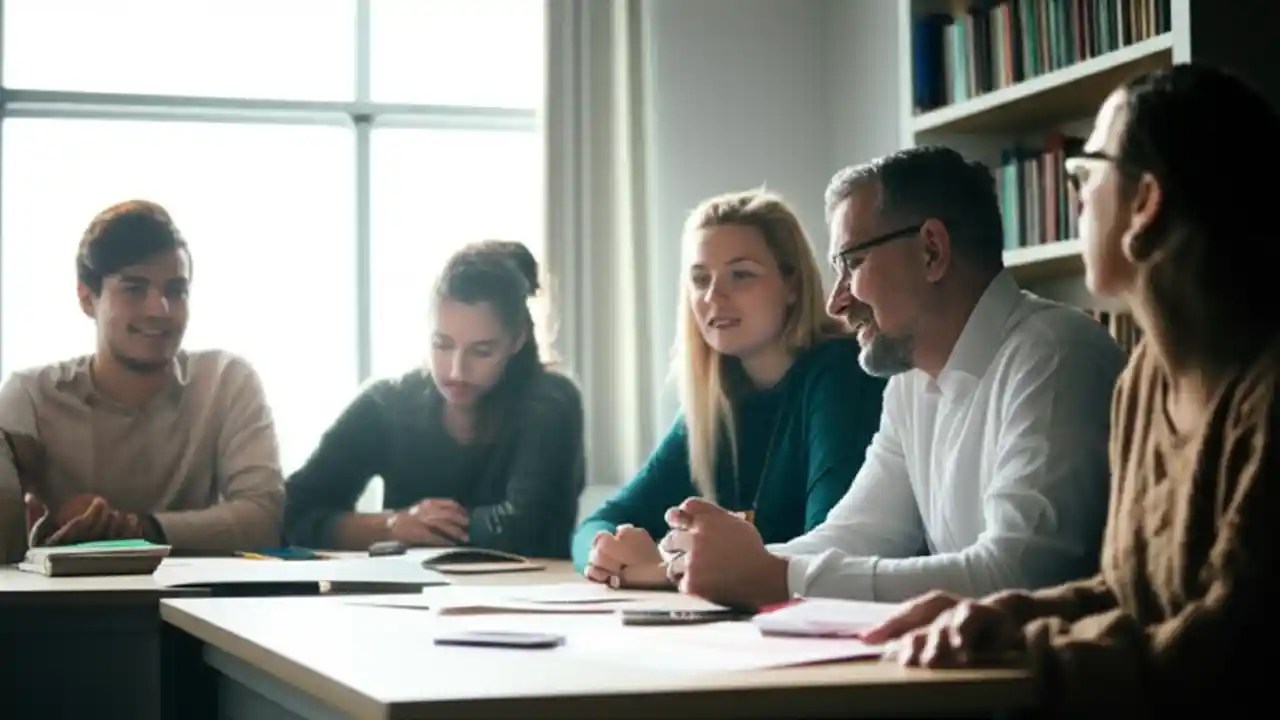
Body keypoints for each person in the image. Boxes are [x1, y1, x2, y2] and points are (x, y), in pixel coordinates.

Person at [859, 62, 1279, 714]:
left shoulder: (1267, 394)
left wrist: (1027, 654)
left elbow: (1232, 644)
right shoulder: (1141, 380)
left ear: (1144, 203)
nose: (1077, 201)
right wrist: (1008, 614)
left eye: (1085, 176)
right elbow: (1129, 591)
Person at [661, 147, 1127, 608]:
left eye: (852, 263)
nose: (836, 302)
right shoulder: (910, 382)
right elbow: (859, 532)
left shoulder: (1056, 355)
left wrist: (776, 576)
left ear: (931, 251)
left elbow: (1017, 573)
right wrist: (725, 561)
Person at [574, 188, 887, 588]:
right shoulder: (715, 401)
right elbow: (596, 524)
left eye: (741, 275)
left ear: (792, 284)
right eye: (700, 278)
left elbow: (829, 551)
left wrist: (659, 571)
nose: (713, 296)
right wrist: (604, 554)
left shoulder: (841, 372)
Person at [0, 199, 284, 562]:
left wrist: (139, 530)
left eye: (176, 290)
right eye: (134, 289)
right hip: (63, 608)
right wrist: (48, 524)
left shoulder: (226, 382)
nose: (159, 309)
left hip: (192, 607)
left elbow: (264, 519)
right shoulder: (32, 396)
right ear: (88, 299)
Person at [283, 240, 585, 558]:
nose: (456, 370)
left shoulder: (550, 402)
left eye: (481, 351)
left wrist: (423, 529)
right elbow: (294, 512)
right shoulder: (388, 403)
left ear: (517, 339)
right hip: (404, 598)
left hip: (529, 595)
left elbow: (531, 529)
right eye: (442, 345)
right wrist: (392, 526)